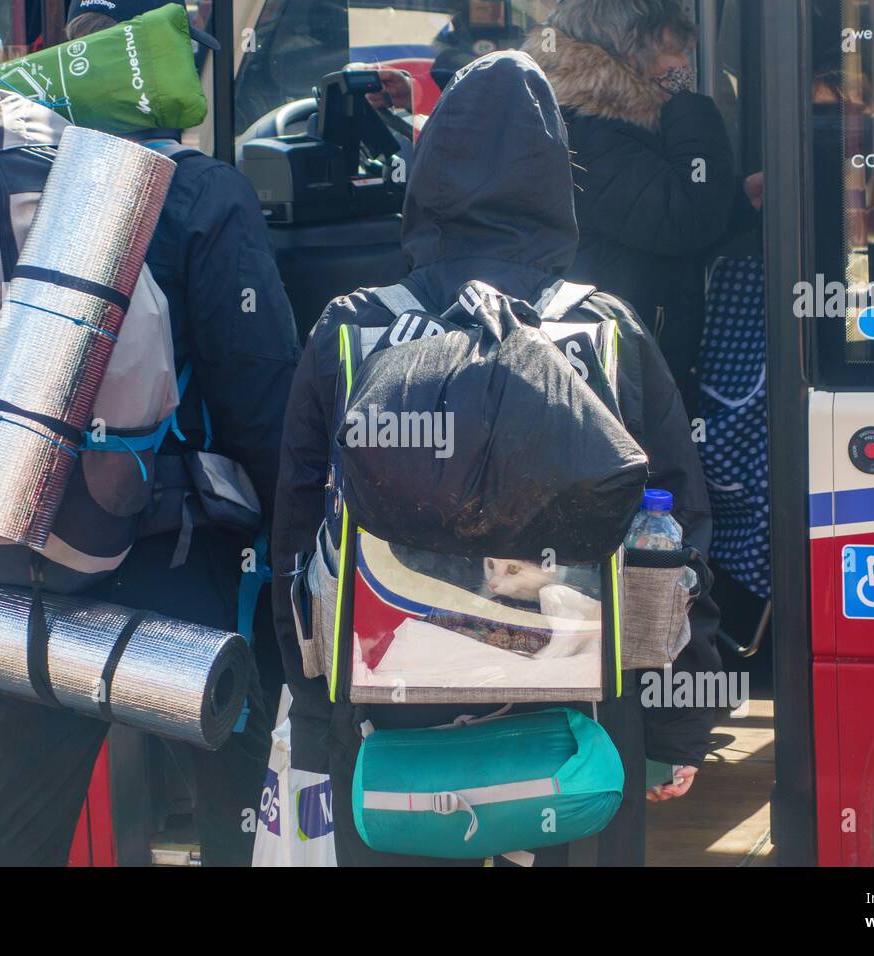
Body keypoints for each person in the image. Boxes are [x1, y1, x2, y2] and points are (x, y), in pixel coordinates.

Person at [271, 50, 721, 866]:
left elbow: (297, 541)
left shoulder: (350, 330)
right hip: (578, 717)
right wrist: (678, 722)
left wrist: (312, 720)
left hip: (387, 712)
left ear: (426, 173)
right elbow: (675, 527)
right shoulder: (605, 330)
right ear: (556, 182)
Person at [0, 0, 300, 866]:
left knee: (18, 838)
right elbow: (260, 393)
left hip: (23, 553)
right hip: (173, 562)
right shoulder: (201, 190)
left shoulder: (3, 185)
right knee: (240, 806)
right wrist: (291, 540)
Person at [523, 0, 760, 414]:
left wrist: (740, 200)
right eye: (676, 50)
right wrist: (690, 102)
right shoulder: (589, 129)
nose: (686, 62)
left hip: (625, 354)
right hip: (612, 369)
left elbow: (653, 217)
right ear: (631, 51)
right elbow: (684, 218)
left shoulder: (604, 121)